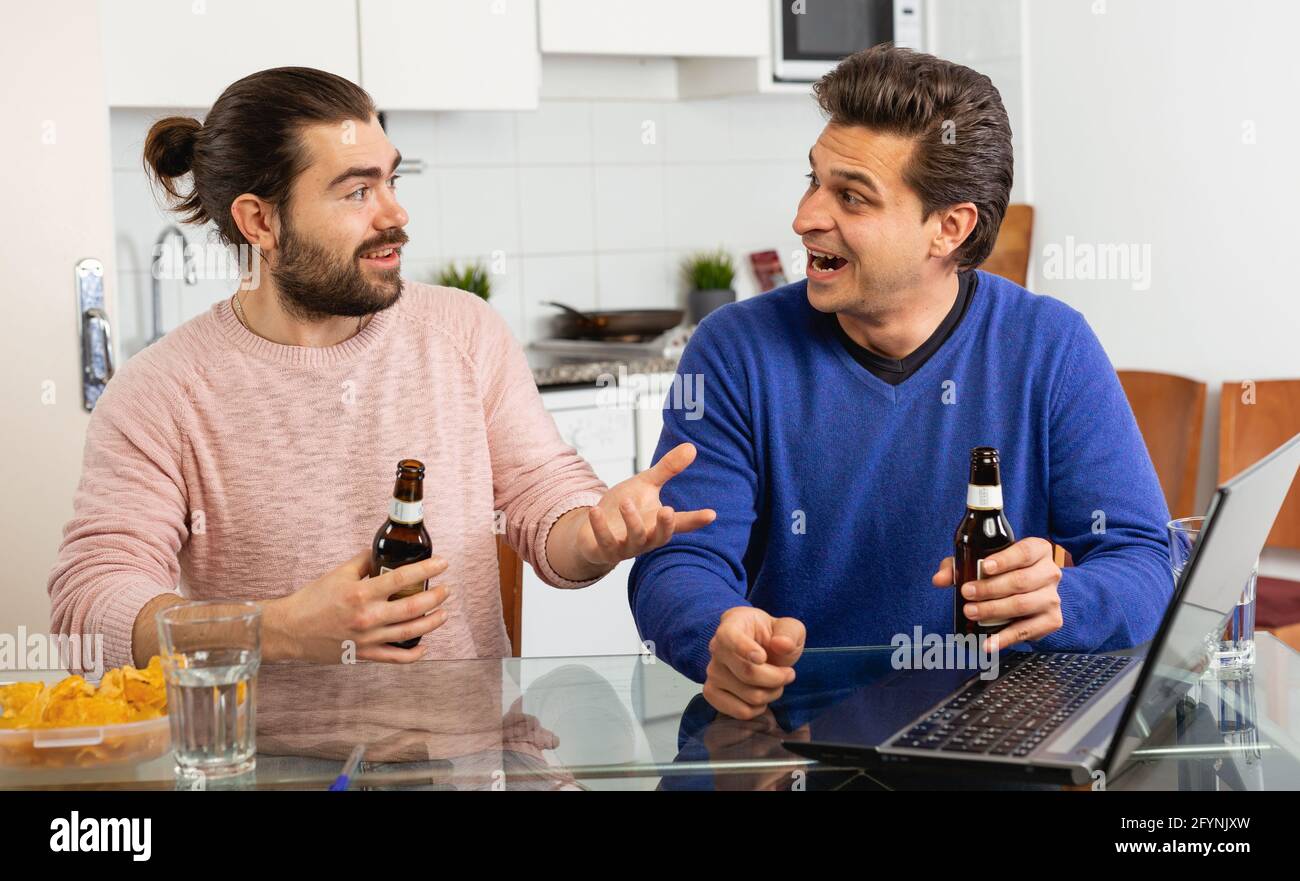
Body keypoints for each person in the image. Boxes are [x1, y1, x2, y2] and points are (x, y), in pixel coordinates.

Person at [49, 67, 714, 672]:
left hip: (467, 759)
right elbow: (90, 604)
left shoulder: (463, 332)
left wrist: (595, 532)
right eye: (356, 191)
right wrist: (271, 628)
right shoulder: (160, 391)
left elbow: (545, 502)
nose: (396, 215)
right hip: (270, 771)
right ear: (260, 221)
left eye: (391, 181)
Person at [629, 45, 1173, 720]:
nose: (805, 217)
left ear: (949, 227)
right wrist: (716, 631)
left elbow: (1143, 560)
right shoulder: (735, 350)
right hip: (793, 740)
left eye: (851, 196)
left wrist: (1065, 598)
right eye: (814, 181)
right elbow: (678, 561)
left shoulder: (1051, 347)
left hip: (992, 739)